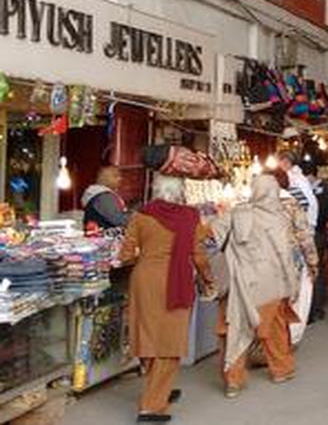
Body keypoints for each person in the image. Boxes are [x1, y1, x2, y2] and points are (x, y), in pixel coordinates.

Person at [210, 174, 314, 398]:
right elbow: (285, 255)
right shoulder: (277, 218)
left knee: (234, 330)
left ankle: (233, 381)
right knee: (274, 327)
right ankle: (281, 370)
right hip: (270, 282)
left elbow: (213, 236)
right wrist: (293, 284)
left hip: (239, 282)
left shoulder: (237, 212)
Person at [118, 175, 213, 423]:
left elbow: (126, 255)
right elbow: (199, 254)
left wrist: (145, 256)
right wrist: (208, 278)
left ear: (156, 190)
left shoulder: (141, 215)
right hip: (176, 281)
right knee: (169, 343)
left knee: (148, 336)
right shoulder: (190, 216)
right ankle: (151, 406)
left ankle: (159, 389)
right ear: (180, 192)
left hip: (145, 280)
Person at [304, 159, 328, 323]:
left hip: (316, 233)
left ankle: (314, 308)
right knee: (315, 269)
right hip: (316, 233)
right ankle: (314, 307)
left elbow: (322, 215)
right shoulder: (319, 189)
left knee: (314, 269)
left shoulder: (321, 190)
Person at [82, 166, 129, 230]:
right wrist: (137, 219)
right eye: (116, 176)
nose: (120, 179)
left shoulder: (99, 194)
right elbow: (117, 219)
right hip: (103, 236)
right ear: (106, 178)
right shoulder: (104, 197)